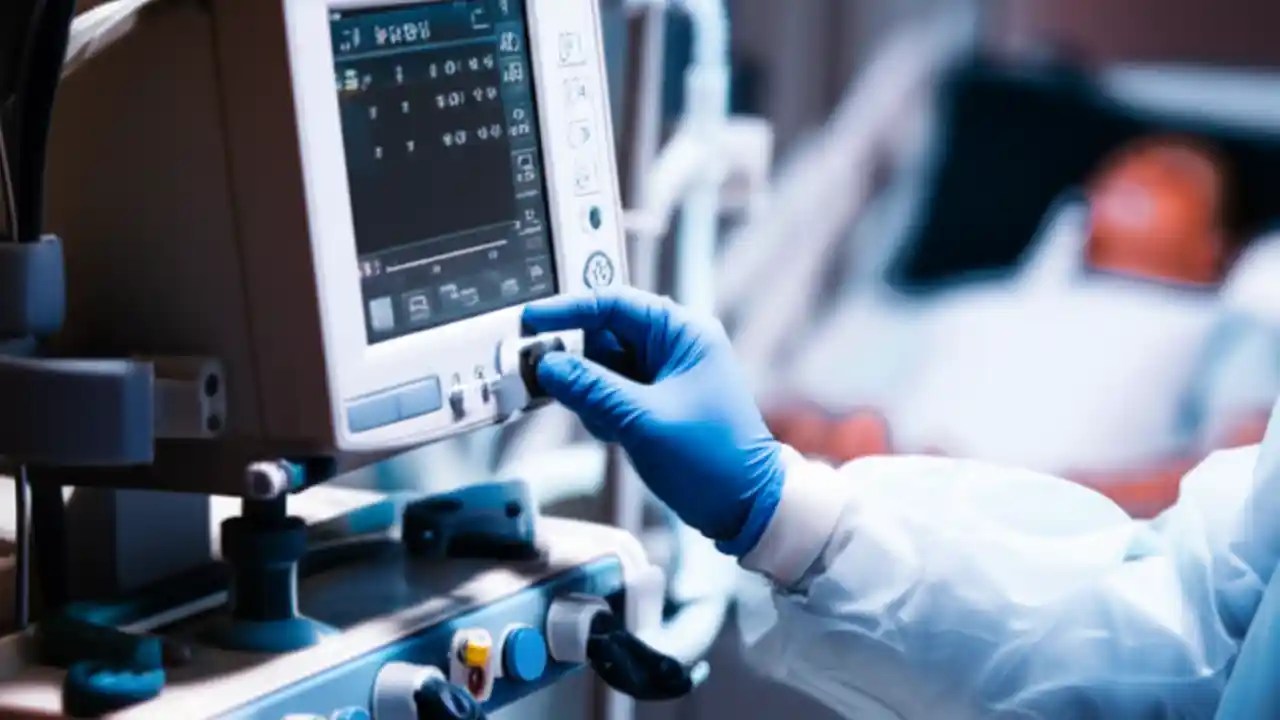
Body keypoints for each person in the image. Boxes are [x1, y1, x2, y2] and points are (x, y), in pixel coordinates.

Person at [522, 286, 1280, 719]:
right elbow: (1179, 647)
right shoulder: (953, 301)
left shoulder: (1230, 331)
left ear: (1213, 243)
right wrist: (785, 507)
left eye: (1171, 169)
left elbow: (1192, 484)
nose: (1131, 177)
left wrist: (955, 472)